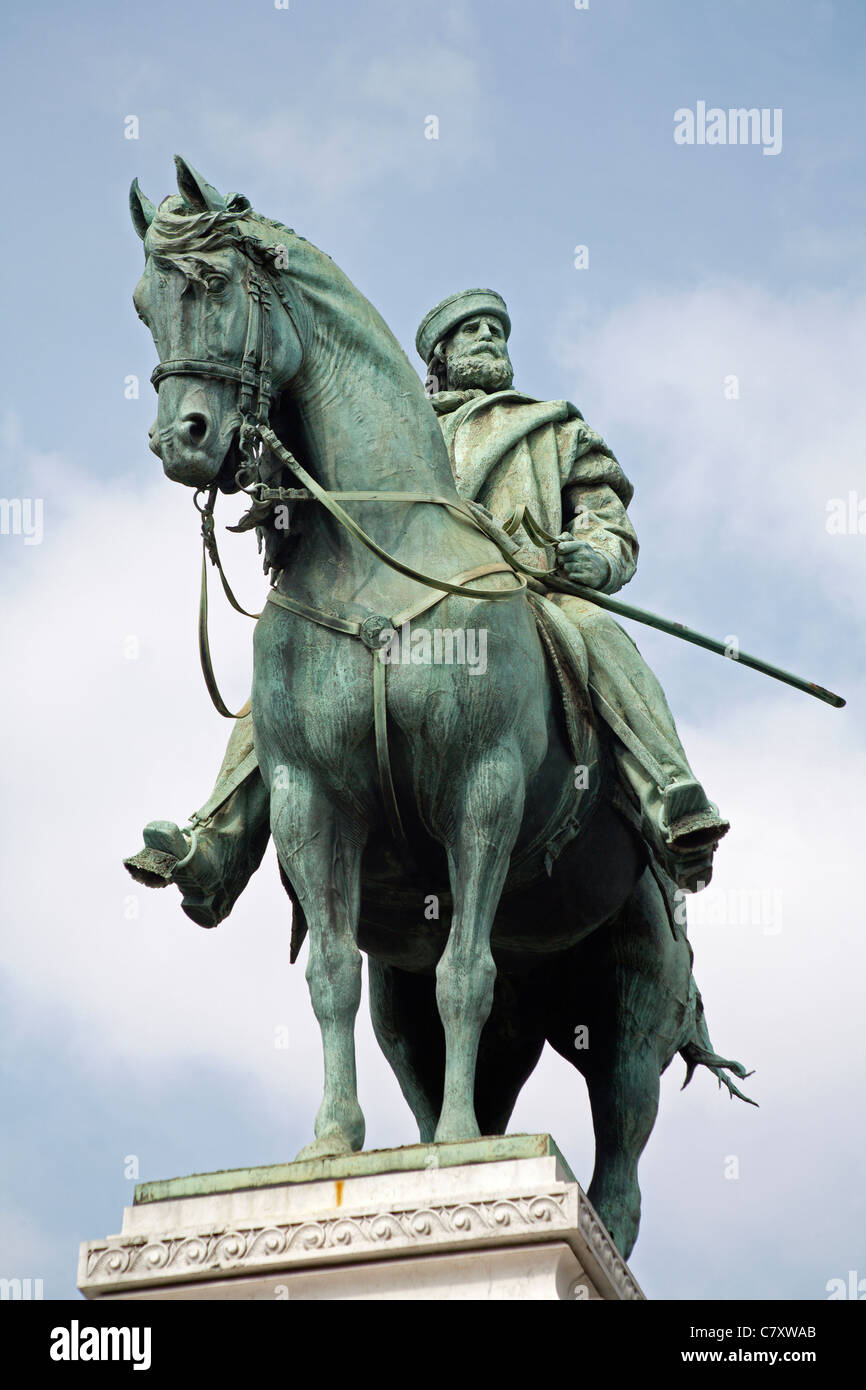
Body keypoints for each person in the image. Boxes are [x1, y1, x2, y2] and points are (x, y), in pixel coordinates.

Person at [125, 288, 728, 921]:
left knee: (597, 632)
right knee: (289, 674)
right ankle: (219, 842)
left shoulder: (554, 426)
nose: (489, 338)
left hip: (525, 593)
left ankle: (669, 799)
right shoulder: (392, 429)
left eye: (497, 329)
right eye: (472, 331)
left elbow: (608, 523)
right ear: (438, 355)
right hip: (388, 602)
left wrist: (598, 557)